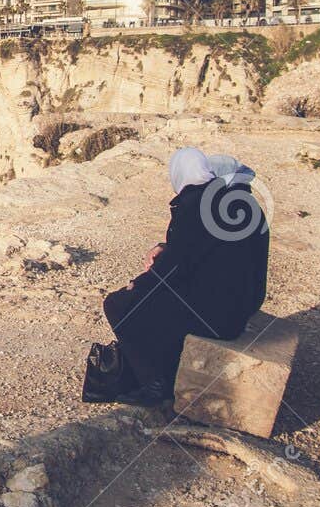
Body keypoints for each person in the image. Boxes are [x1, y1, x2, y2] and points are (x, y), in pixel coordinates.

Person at [83, 147, 269, 406]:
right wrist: (166, 250)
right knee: (155, 301)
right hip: (240, 305)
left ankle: (157, 386)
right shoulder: (240, 202)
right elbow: (202, 249)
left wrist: (137, 285)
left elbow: (176, 265)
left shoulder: (201, 205)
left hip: (220, 317)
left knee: (120, 305)